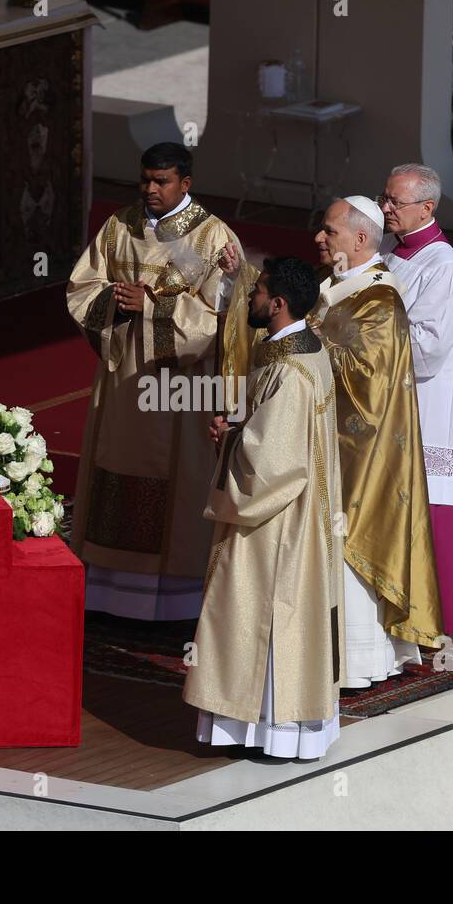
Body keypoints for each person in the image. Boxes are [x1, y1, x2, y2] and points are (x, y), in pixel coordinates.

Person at [218, 196, 442, 689]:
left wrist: (306, 348)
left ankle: (359, 659)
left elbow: (370, 383)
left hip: (359, 452)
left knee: (345, 545)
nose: (319, 238)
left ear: (360, 240)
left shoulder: (381, 301)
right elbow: (280, 325)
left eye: (329, 232)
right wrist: (243, 288)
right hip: (313, 439)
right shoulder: (330, 287)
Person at [66, 142, 247, 620]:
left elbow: (223, 317)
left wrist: (151, 307)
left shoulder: (213, 238)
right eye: (145, 179)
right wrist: (113, 301)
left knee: (175, 484)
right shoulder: (119, 226)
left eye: (161, 181)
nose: (150, 189)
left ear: (184, 184)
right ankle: (109, 592)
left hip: (177, 387)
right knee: (116, 467)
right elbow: (83, 286)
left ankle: (171, 605)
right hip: (124, 374)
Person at [185, 257, 345, 760]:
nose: (249, 297)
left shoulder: (290, 369)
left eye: (257, 291)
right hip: (298, 515)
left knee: (260, 611)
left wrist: (229, 440)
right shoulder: (301, 347)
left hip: (277, 523)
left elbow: (274, 462)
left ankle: (266, 728)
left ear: (277, 305)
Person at [377, 164, 453, 637]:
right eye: (385, 198)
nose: (386, 208)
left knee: (426, 521)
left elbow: (429, 349)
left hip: (423, 413)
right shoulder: (388, 253)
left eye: (396, 201)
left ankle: (434, 626)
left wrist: (365, 339)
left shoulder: (445, 268)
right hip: (384, 406)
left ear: (427, 208)